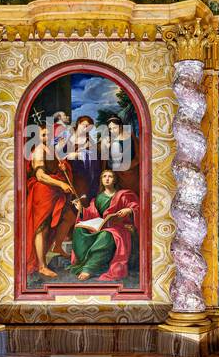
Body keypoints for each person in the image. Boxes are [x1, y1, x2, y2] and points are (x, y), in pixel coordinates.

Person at [26, 118, 78, 278]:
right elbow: (41, 175)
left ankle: (57, 246)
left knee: (68, 217)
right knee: (42, 227)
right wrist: (61, 184)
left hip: (53, 192)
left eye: (49, 134)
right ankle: (41, 265)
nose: (47, 137)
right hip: (42, 192)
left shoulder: (50, 149)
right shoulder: (39, 150)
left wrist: (61, 167)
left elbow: (54, 168)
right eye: (43, 134)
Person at [69, 168, 139, 281]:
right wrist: (81, 209)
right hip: (100, 226)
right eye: (104, 176)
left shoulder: (122, 195)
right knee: (78, 229)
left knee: (106, 235)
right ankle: (84, 261)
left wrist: (128, 210)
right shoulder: (98, 198)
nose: (107, 178)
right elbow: (92, 214)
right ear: (101, 180)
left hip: (117, 228)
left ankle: (89, 268)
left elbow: (136, 206)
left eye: (110, 176)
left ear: (115, 180)